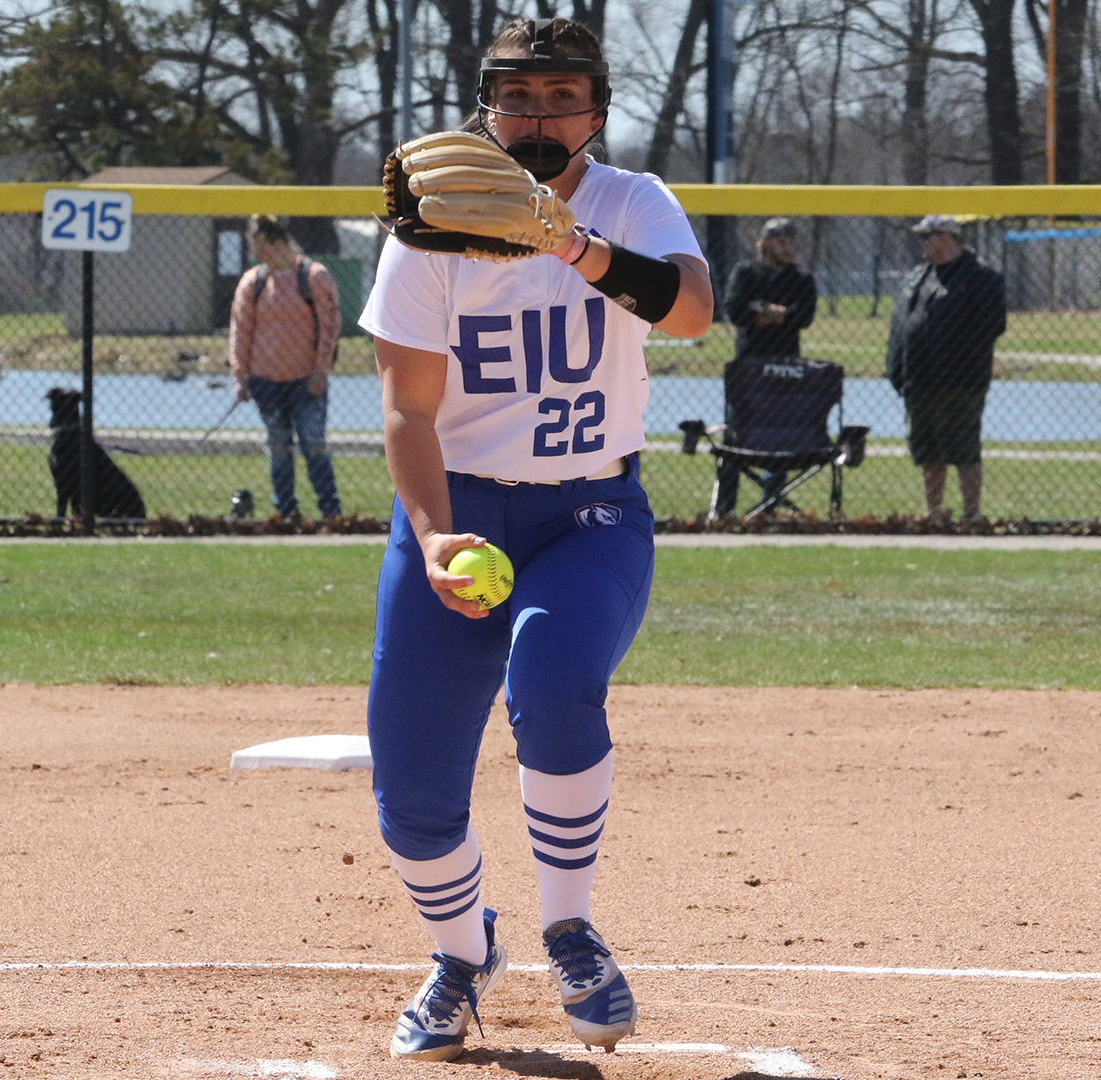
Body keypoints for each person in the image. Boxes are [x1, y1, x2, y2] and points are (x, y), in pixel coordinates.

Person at [357, 16, 713, 1062]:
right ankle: (462, 960)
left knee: (555, 686)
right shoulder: (428, 228)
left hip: (588, 514)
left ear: (597, 109)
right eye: (518, 96)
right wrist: (430, 538)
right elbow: (406, 413)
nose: (540, 115)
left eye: (562, 96)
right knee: (412, 794)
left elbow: (691, 312)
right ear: (487, 107)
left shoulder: (631, 201)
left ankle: (571, 932)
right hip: (458, 514)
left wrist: (571, 242)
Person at [884, 214, 1006, 523]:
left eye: (927, 236)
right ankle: (933, 511)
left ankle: (971, 514)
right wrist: (896, 367)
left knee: (963, 449)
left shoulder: (980, 277)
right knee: (928, 451)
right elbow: (901, 324)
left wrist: (955, 354)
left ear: (947, 238)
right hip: (918, 377)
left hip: (959, 381)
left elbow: (992, 325)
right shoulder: (918, 276)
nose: (922, 243)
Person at [228, 215, 343, 520]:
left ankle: (331, 512)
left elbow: (330, 327)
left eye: (261, 248)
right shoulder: (253, 283)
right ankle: (286, 511)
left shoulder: (314, 277)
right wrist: (240, 376)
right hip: (265, 382)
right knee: (279, 450)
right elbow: (240, 331)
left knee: (314, 445)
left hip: (307, 382)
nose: (257, 256)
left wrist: (320, 370)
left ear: (279, 244)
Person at [716, 216, 818, 518]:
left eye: (791, 242)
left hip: (785, 366)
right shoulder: (746, 273)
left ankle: (768, 507)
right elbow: (736, 310)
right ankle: (725, 508)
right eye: (781, 241)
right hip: (748, 369)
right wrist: (776, 313)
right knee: (735, 436)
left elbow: (804, 316)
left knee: (780, 437)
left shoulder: (800, 279)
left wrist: (765, 312)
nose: (788, 247)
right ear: (764, 243)